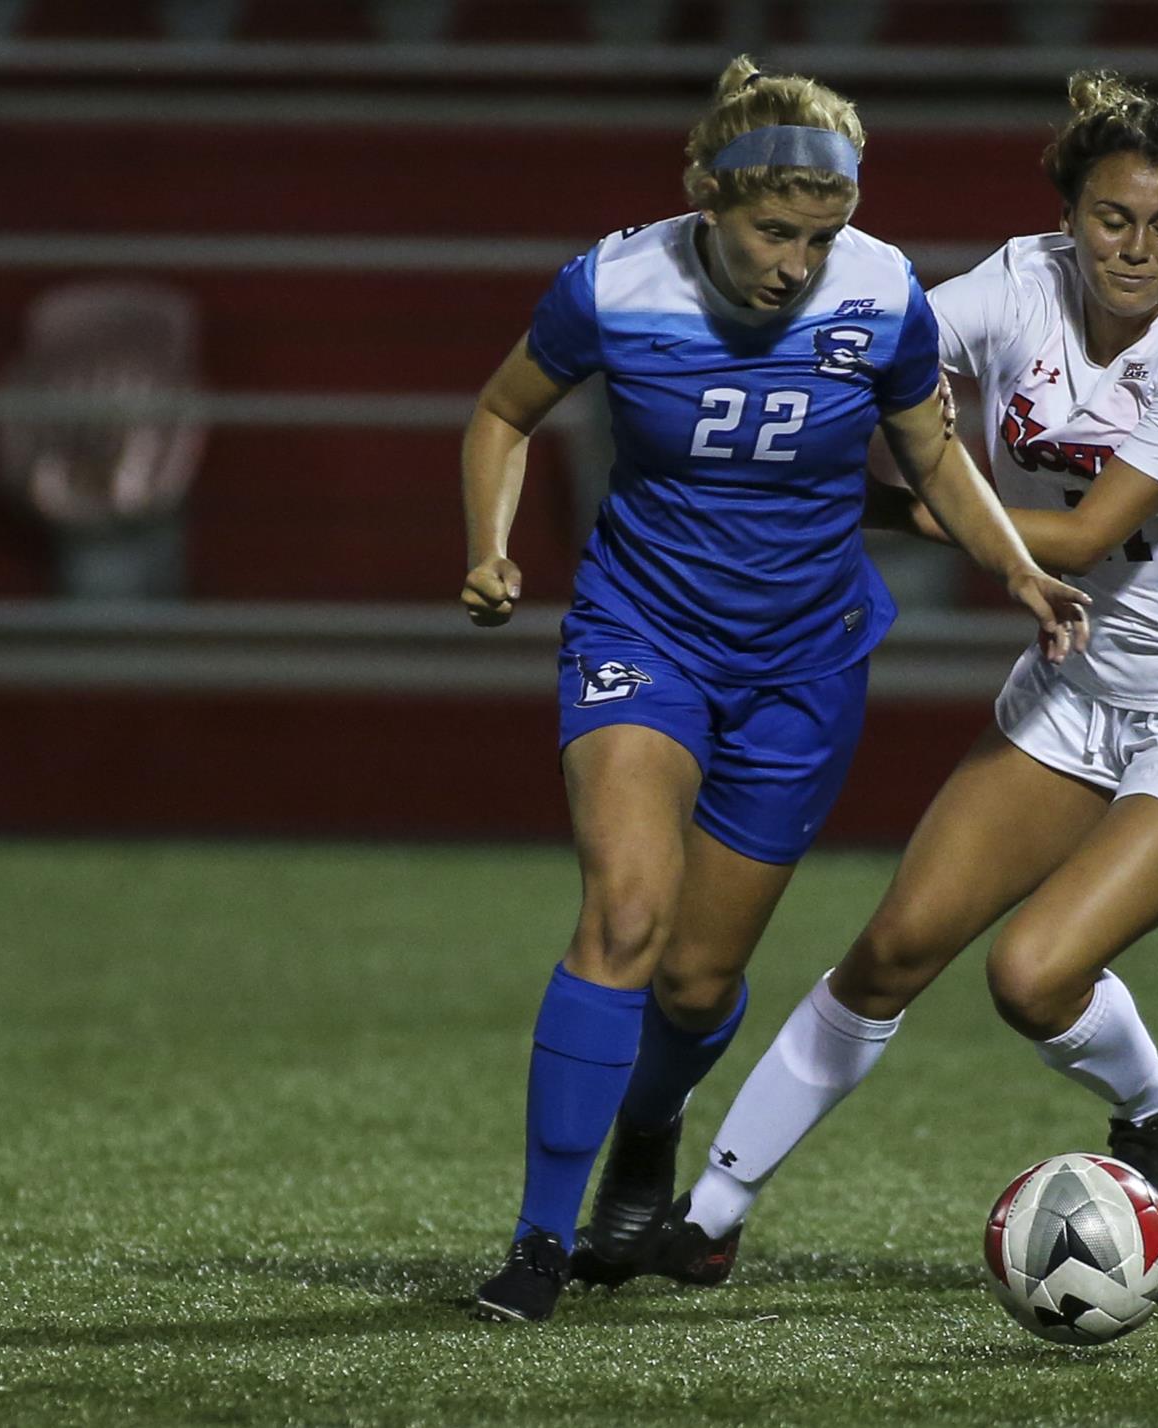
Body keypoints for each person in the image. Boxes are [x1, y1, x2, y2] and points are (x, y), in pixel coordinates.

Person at [614, 69, 1158, 1287]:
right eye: (1112, 219)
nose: (1137, 249)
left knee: (1031, 975)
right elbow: (873, 353)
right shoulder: (1017, 284)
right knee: (892, 949)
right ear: (1069, 215)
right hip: (1082, 676)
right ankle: (711, 1214)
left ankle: (1157, 1107)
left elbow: (1084, 537)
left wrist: (860, 498)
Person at [459, 56, 1089, 1323]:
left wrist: (1016, 568)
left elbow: (931, 454)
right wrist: (489, 544)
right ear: (706, 195)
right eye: (772, 232)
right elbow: (501, 413)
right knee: (624, 920)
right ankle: (536, 1243)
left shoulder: (881, 290)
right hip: (642, 634)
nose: (797, 263)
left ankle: (650, 1131)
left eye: (821, 234)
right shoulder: (613, 284)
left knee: (695, 985)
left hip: (803, 664)